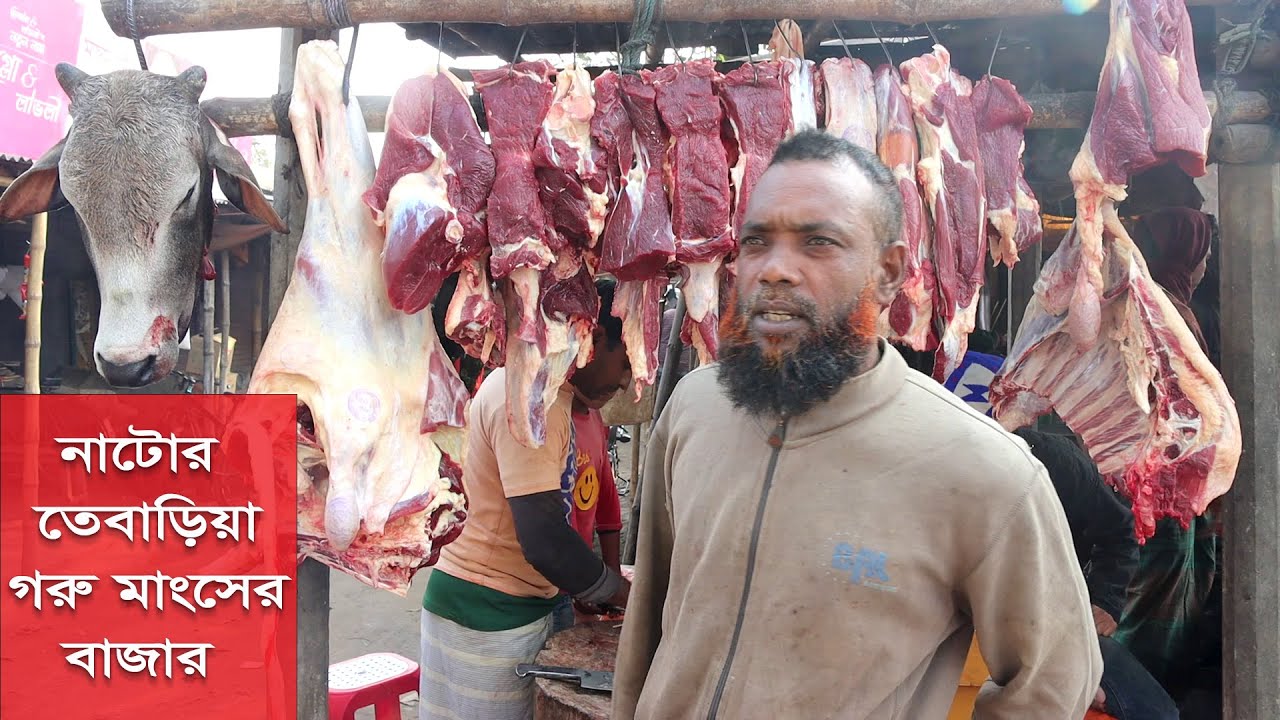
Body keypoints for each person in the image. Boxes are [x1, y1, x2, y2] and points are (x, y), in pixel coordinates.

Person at [613, 129, 1102, 719]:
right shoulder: (695, 408)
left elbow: (1052, 685)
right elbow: (648, 624)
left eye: (818, 242)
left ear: (889, 272)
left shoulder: (984, 471)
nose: (775, 269)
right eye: (757, 242)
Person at [419, 277, 633, 720]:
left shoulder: (555, 396)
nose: (627, 378)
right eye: (626, 360)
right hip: (485, 611)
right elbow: (544, 539)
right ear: (593, 338)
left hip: (510, 605)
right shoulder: (531, 395)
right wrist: (622, 593)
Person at [1122, 207, 1222, 703]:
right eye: (1202, 254)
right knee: (1157, 590)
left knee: (1165, 585)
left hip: (1166, 479)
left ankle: (1149, 688)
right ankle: (1139, 690)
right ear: (1184, 255)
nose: (1205, 265)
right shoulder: (1163, 310)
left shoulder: (1169, 303)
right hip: (1159, 483)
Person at [1013, 427, 1179, 720]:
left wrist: (1105, 600)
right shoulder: (945, 471)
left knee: (1156, 713)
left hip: (1052, 618)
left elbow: (1118, 532)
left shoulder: (1060, 464)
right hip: (966, 620)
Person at [550, 400, 625, 634]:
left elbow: (607, 500)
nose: (624, 385)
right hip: (543, 588)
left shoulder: (595, 416)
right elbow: (556, 521)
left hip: (572, 582)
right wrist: (585, 583)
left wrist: (612, 572)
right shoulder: (552, 418)